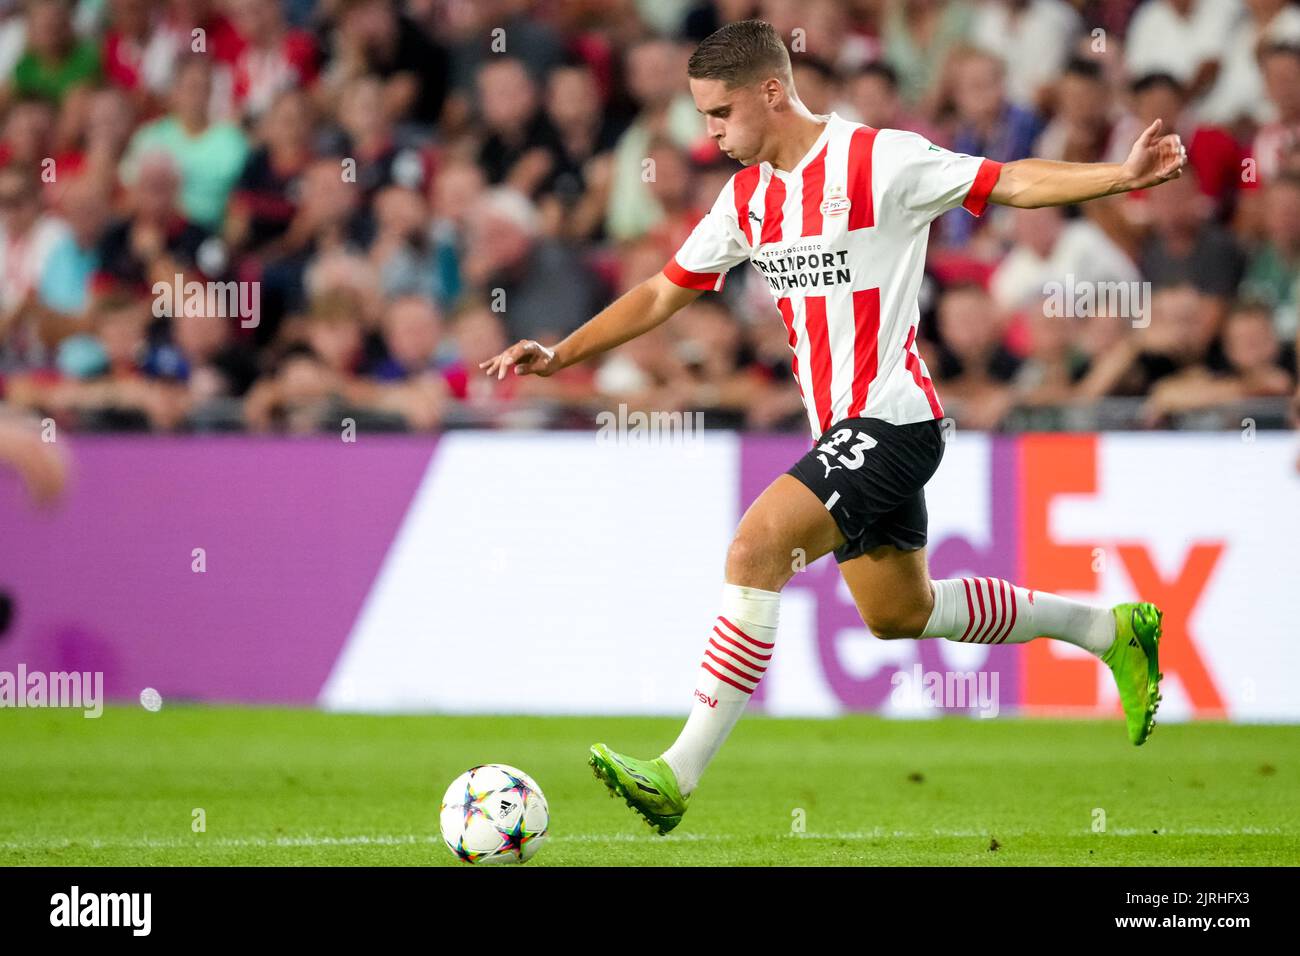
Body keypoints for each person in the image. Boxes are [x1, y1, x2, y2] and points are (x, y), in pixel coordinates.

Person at [479, 19, 1186, 835]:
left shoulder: (880, 161)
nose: (708, 134)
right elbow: (663, 292)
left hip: (893, 418)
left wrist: (1120, 178)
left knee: (755, 548)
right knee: (898, 613)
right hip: (841, 432)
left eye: (718, 115)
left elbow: (1013, 181)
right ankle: (1109, 630)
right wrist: (563, 353)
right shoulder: (746, 199)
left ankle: (676, 773)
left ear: (771, 93)